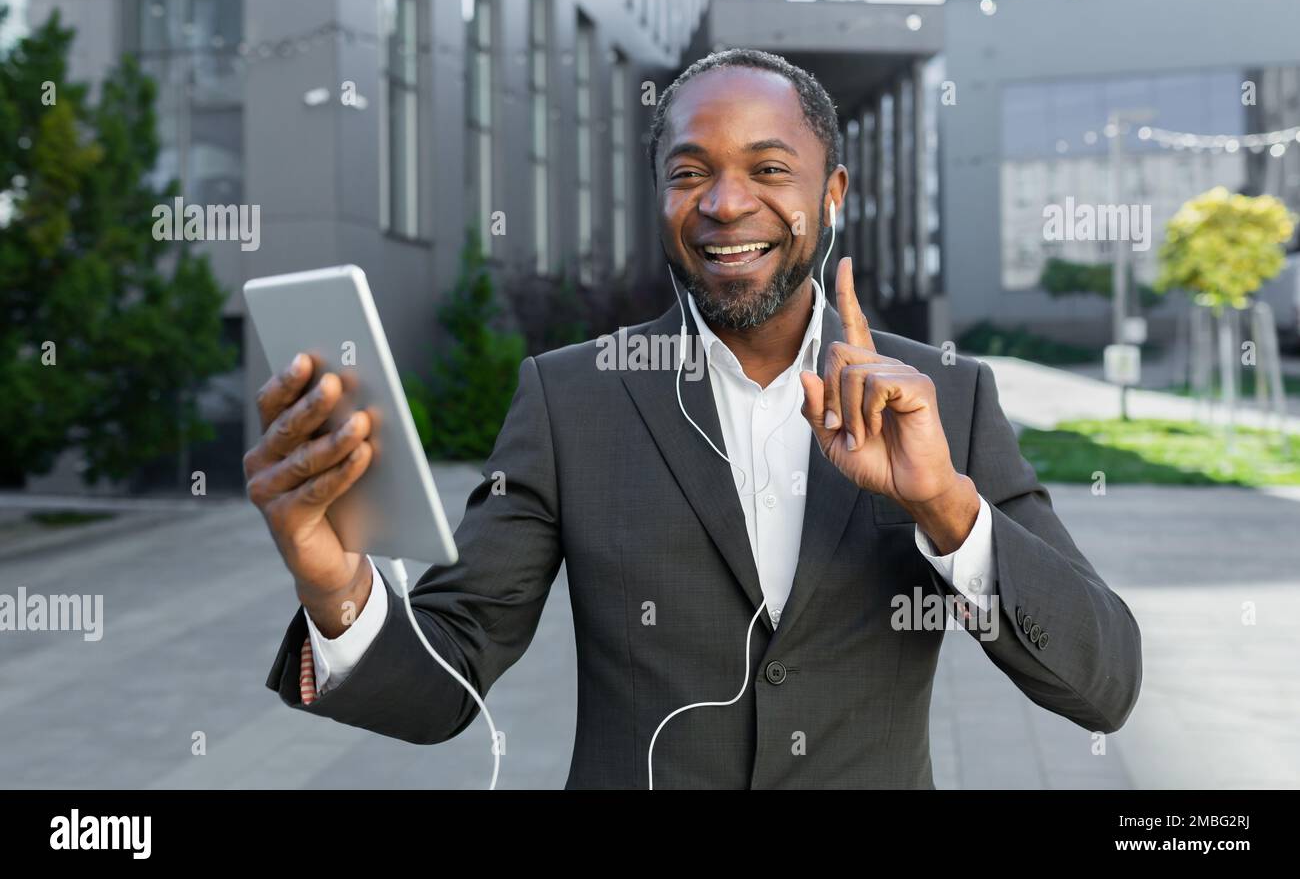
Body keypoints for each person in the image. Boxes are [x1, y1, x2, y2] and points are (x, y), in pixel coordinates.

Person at [245, 49, 1142, 789]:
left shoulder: (945, 396)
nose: (723, 203)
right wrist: (336, 587)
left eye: (768, 168)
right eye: (690, 173)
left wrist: (946, 507)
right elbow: (445, 685)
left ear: (831, 196)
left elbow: (1103, 683)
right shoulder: (573, 400)